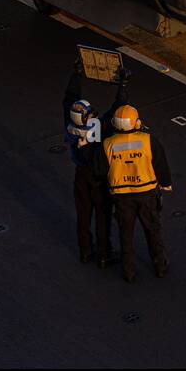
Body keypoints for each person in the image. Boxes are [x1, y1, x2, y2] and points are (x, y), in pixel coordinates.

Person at [94, 104, 172, 283]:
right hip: (146, 193)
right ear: (136, 122)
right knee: (153, 230)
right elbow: (160, 164)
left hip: (122, 197)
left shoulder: (108, 144)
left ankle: (128, 271)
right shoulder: (148, 140)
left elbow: (100, 170)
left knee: (126, 234)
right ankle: (160, 265)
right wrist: (166, 183)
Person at [63, 61, 129, 266]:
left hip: (80, 175)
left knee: (83, 215)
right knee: (103, 216)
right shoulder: (99, 128)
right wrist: (123, 84)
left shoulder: (71, 125)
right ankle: (104, 253)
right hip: (99, 178)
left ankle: (85, 251)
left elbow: (69, 100)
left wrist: (76, 76)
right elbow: (117, 108)